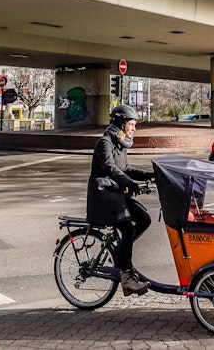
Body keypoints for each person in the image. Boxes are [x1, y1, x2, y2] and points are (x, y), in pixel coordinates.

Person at [86, 104, 154, 296]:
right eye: (131, 124)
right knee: (128, 228)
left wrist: (149, 175)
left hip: (115, 194)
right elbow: (110, 168)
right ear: (121, 124)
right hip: (104, 197)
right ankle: (127, 278)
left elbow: (125, 169)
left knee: (144, 220)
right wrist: (130, 184)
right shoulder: (105, 143)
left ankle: (122, 252)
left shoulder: (120, 143)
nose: (134, 128)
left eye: (134, 125)